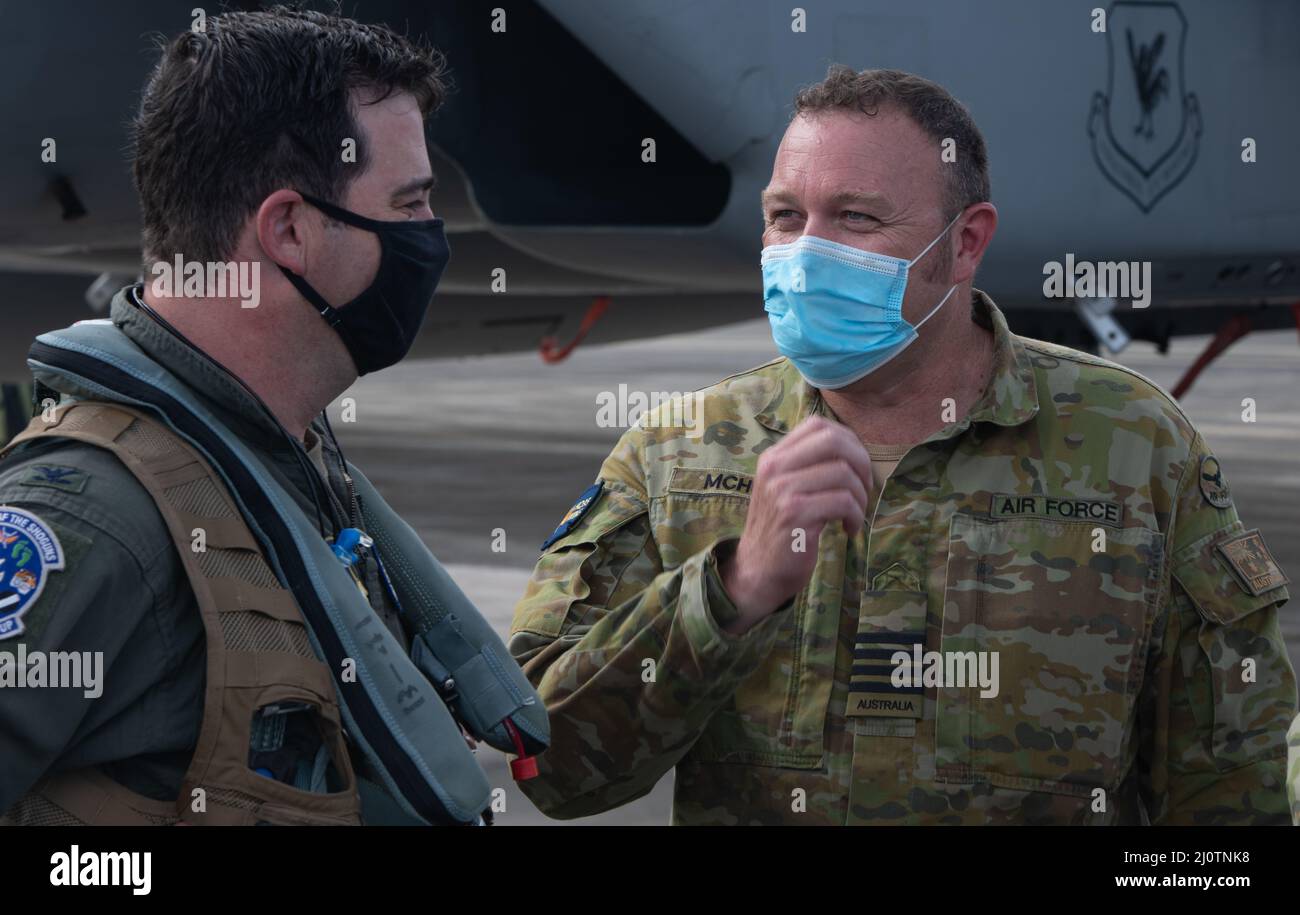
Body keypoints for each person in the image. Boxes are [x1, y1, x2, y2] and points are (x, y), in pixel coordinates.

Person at [509, 66, 1296, 825]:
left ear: (964, 243)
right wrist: (732, 593)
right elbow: (548, 765)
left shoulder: (1136, 447)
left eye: (856, 218)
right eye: (786, 217)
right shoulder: (678, 452)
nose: (807, 255)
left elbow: (1232, 788)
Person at [0, 7, 545, 826]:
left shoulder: (284, 462)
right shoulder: (89, 523)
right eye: (409, 206)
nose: (430, 239)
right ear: (288, 228)